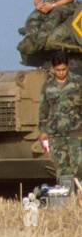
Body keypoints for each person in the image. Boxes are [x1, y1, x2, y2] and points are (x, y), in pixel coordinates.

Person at [37, 53, 82, 192]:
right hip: (55, 133)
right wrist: (43, 131)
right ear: (53, 68)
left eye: (63, 69)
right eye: (58, 70)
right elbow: (43, 110)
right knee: (62, 167)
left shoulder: (78, 82)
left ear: (67, 67)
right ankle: (66, 196)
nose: (61, 72)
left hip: (76, 131)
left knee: (78, 163)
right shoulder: (47, 86)